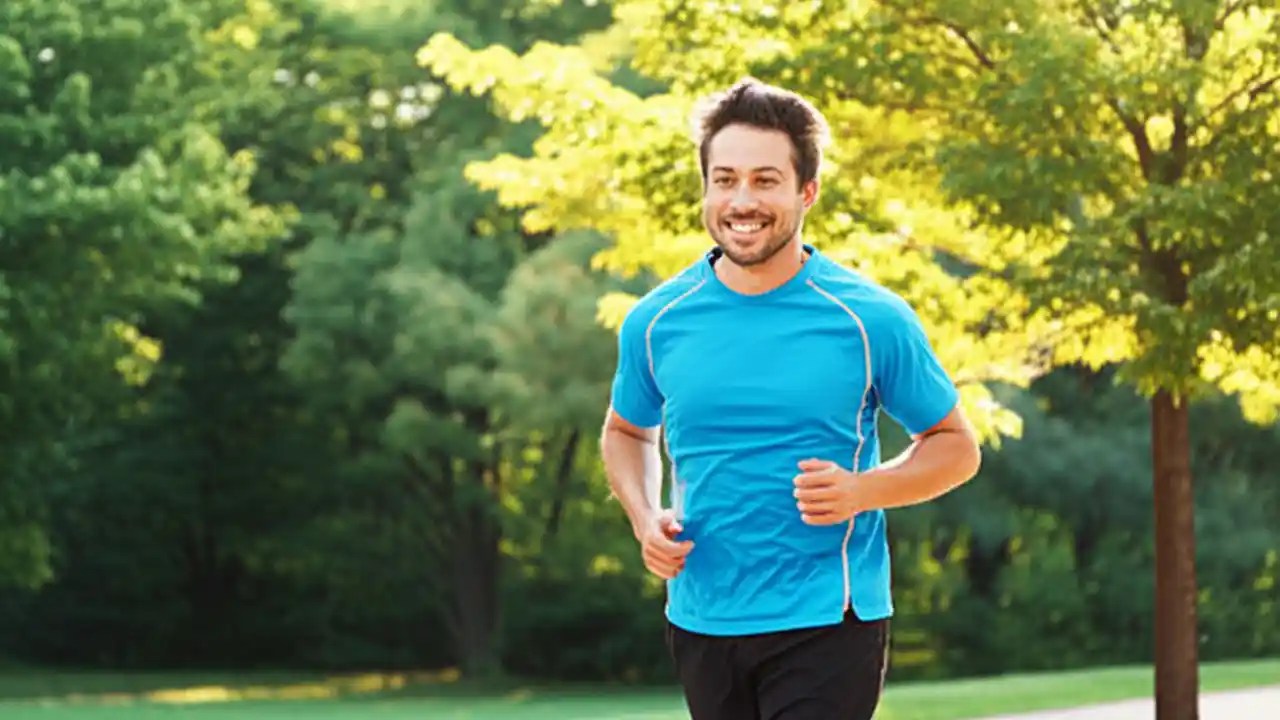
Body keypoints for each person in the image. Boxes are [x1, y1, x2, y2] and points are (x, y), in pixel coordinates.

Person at [599, 77, 983, 720]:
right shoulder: (656, 320)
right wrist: (644, 515)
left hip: (827, 616)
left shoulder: (869, 319)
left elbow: (956, 447)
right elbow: (627, 432)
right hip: (703, 613)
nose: (741, 200)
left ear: (807, 191)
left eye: (765, 180)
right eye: (724, 180)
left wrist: (864, 490)